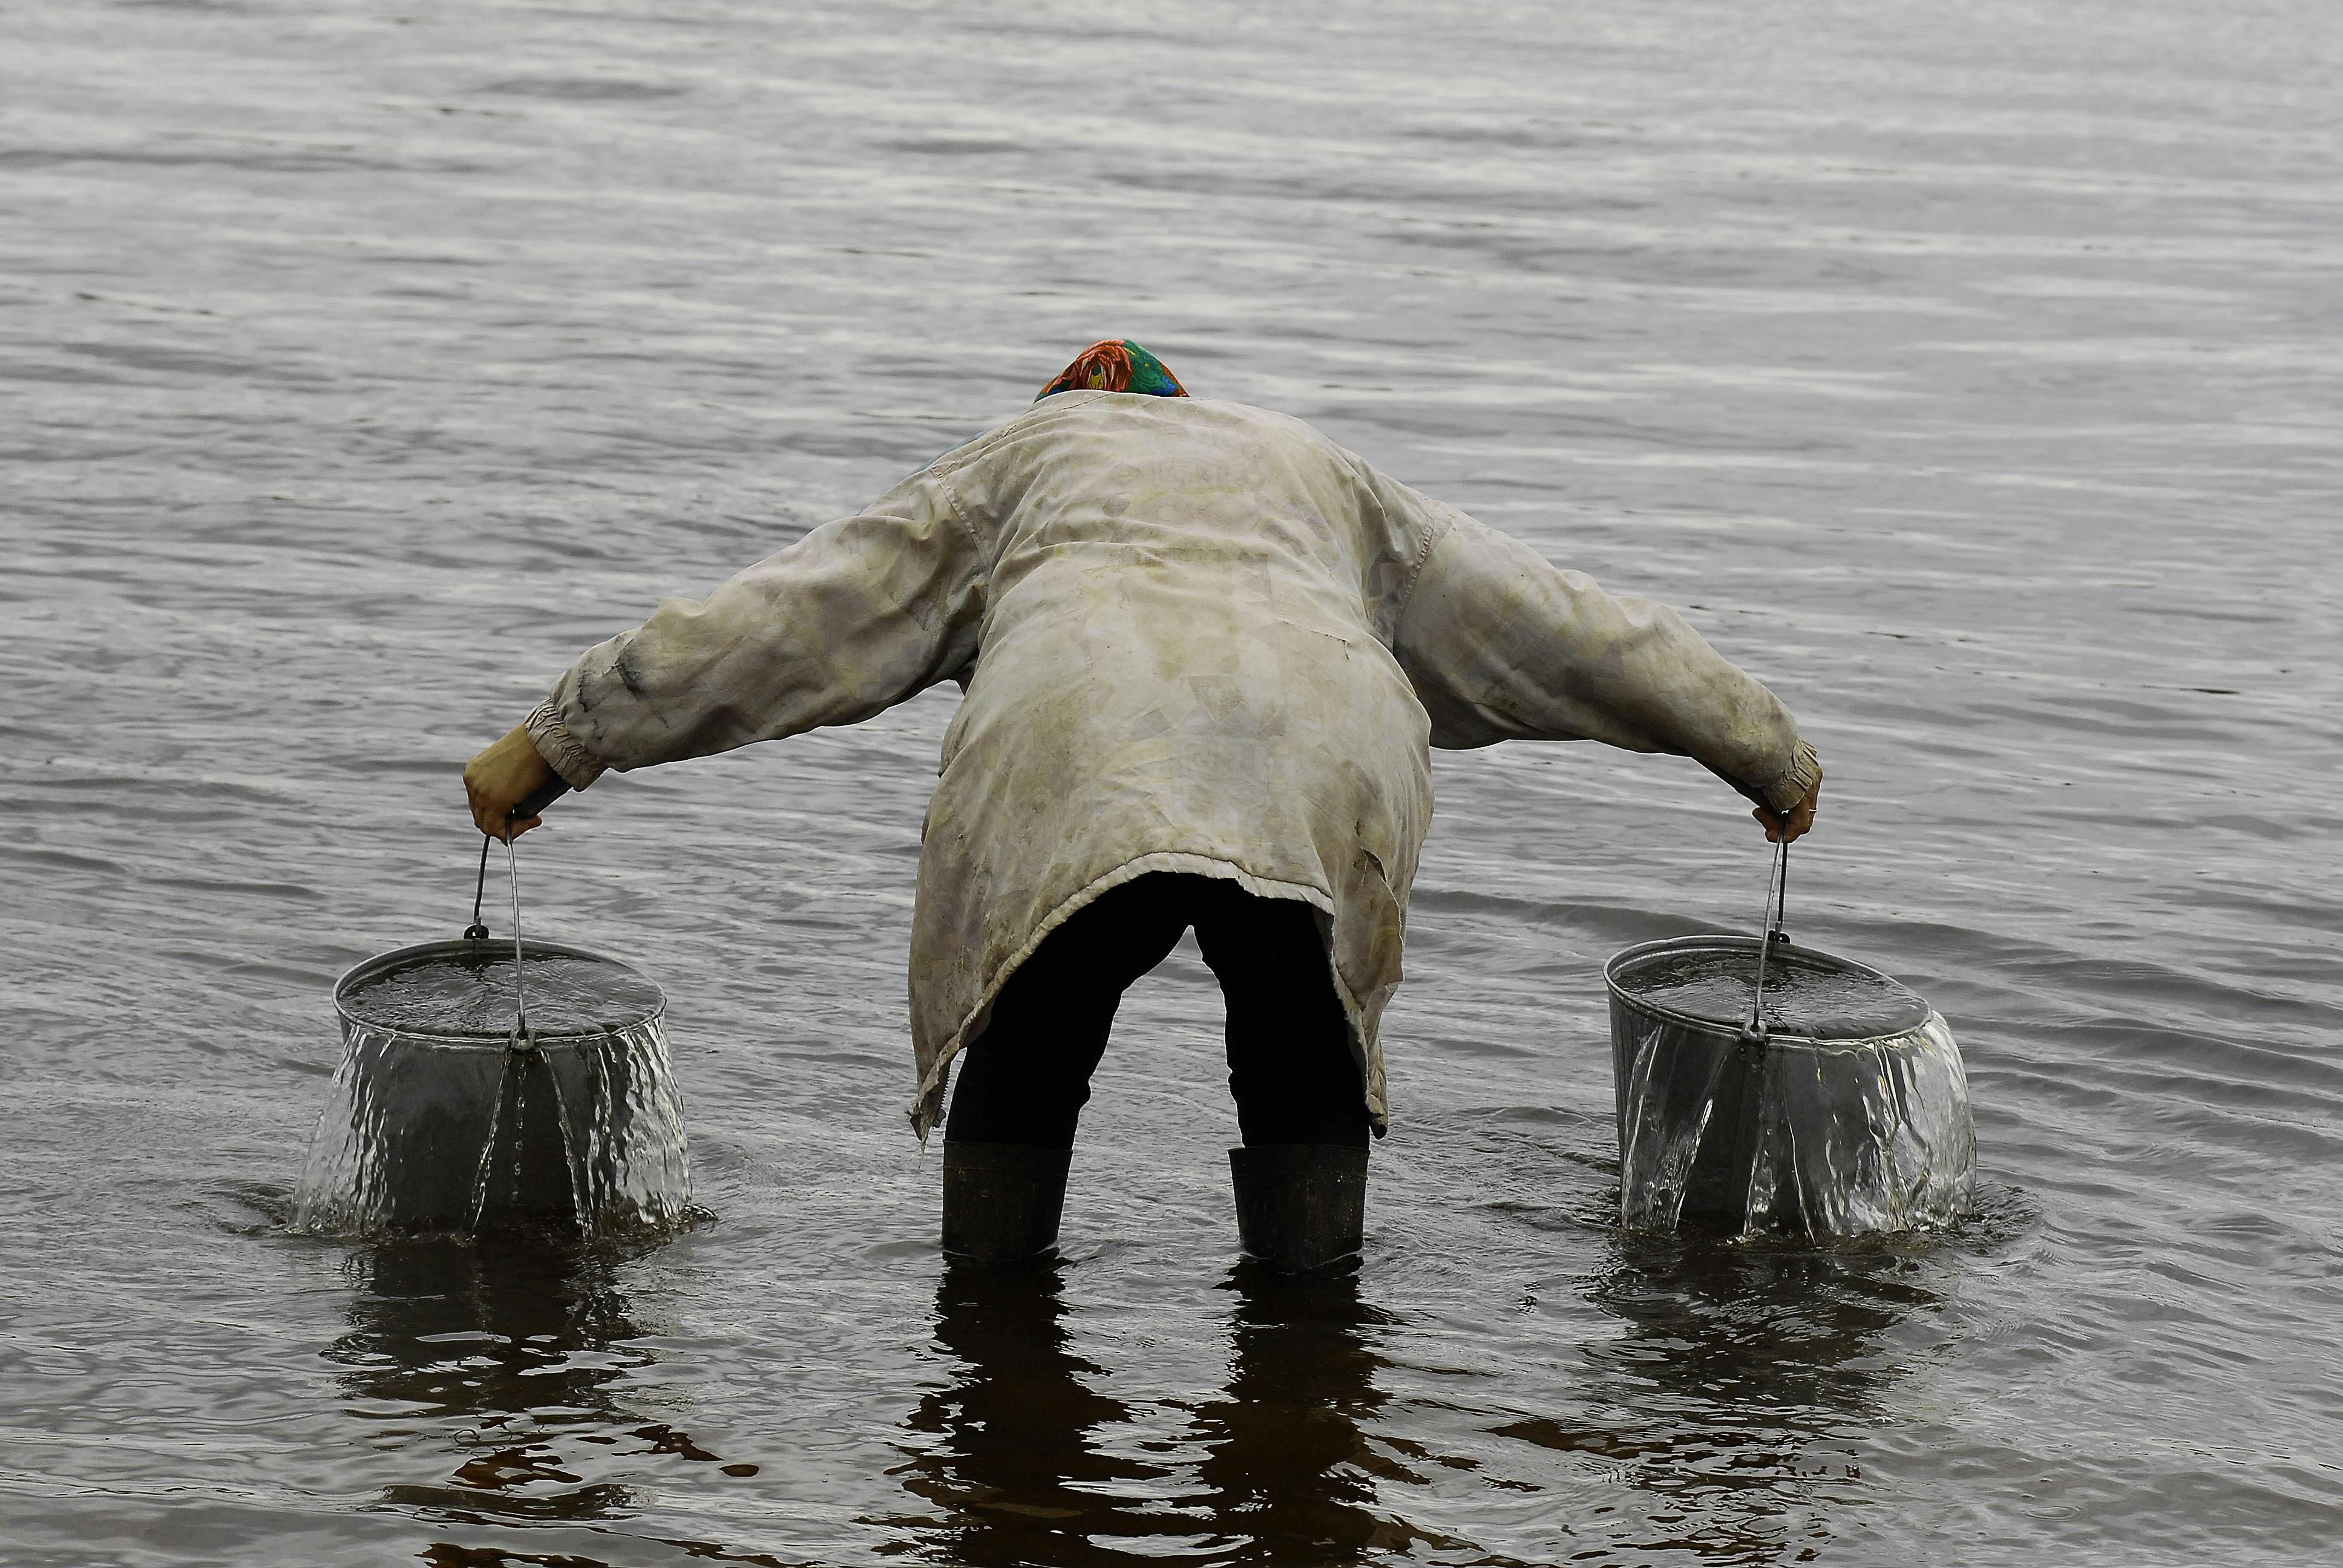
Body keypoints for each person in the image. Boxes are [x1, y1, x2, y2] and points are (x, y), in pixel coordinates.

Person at [463, 339, 1821, 1272]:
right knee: (1298, 1048)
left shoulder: (1019, 464)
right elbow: (1567, 630)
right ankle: (1307, 1352)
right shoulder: (1319, 478)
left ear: (1070, 411)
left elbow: (791, 623)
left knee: (1035, 1049)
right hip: (1313, 754)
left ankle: (993, 1328)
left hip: (1078, 752)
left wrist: (560, 740)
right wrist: (1761, 751)